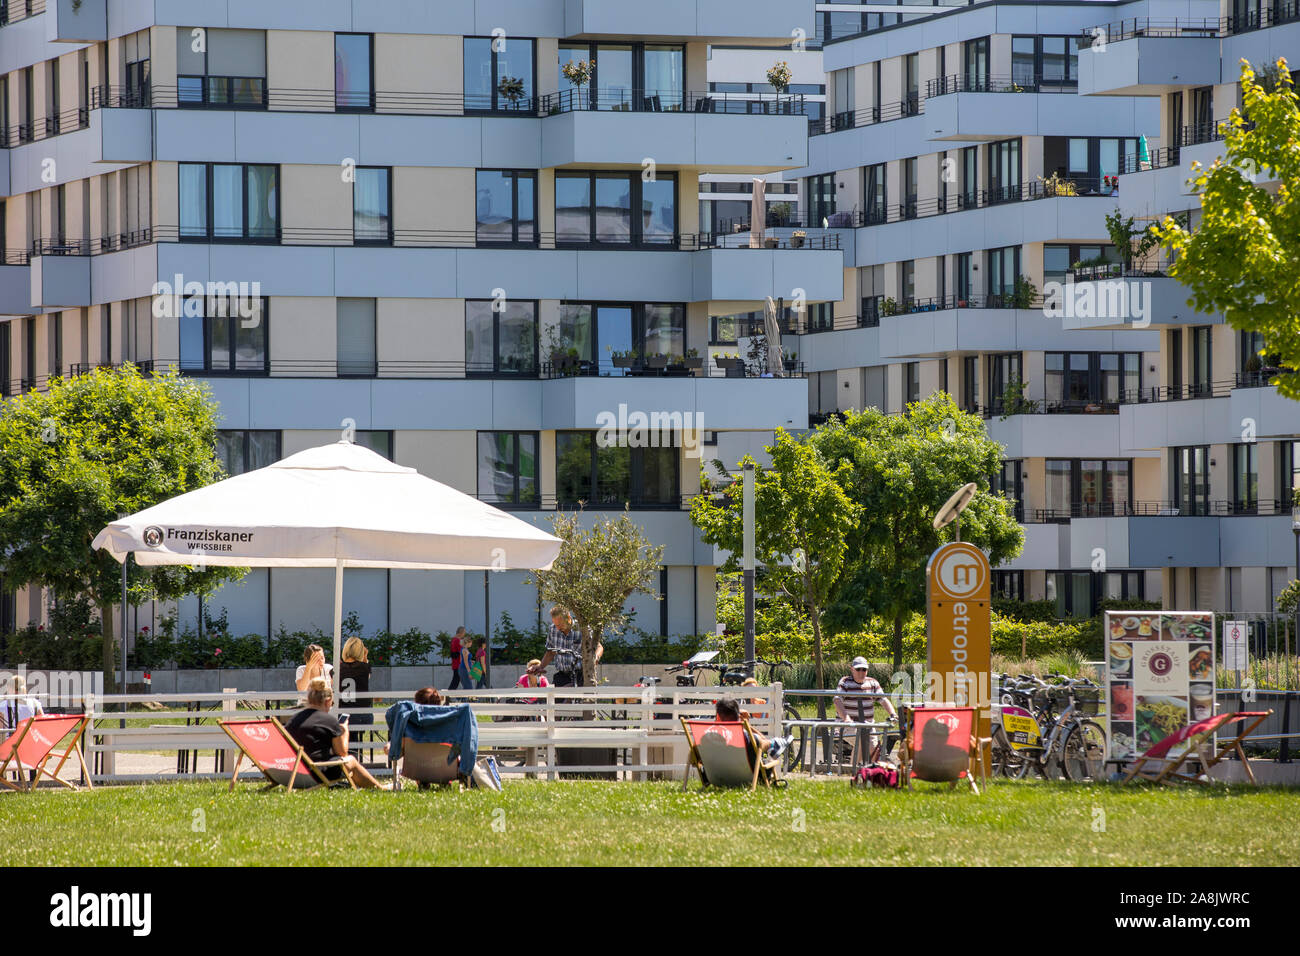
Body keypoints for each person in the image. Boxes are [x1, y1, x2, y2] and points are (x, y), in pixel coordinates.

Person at [282, 677, 388, 789]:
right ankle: (379, 787)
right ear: (327, 701)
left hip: (295, 773)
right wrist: (344, 730)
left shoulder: (293, 720)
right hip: (319, 772)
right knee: (350, 760)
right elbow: (342, 752)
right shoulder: (329, 721)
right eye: (331, 703)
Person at [835, 656, 897, 760]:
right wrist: (846, 718)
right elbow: (837, 700)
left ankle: (870, 772)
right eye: (858, 669)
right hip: (848, 726)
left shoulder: (872, 683)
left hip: (868, 725)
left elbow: (883, 700)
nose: (861, 672)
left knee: (875, 750)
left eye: (864, 669)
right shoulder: (845, 682)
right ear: (852, 669)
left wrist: (893, 714)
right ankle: (854, 771)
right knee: (862, 741)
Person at [530, 607, 602, 686]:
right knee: (557, 697)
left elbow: (599, 647)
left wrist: (595, 658)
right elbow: (550, 652)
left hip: (581, 674)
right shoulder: (552, 629)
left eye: (560, 624)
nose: (558, 628)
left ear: (568, 618)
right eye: (556, 624)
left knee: (580, 698)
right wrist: (540, 666)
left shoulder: (583, 628)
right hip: (562, 675)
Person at [714, 697, 793, 761]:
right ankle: (774, 743)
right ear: (737, 716)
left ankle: (775, 743)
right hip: (746, 775)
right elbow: (763, 739)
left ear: (718, 716)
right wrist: (747, 725)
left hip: (715, 776)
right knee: (760, 742)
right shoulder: (742, 737)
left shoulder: (706, 736)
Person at [339, 637, 373, 756]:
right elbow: (366, 677)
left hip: (342, 715)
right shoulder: (365, 668)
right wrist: (365, 658)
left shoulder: (337, 668)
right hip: (362, 716)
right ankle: (354, 757)